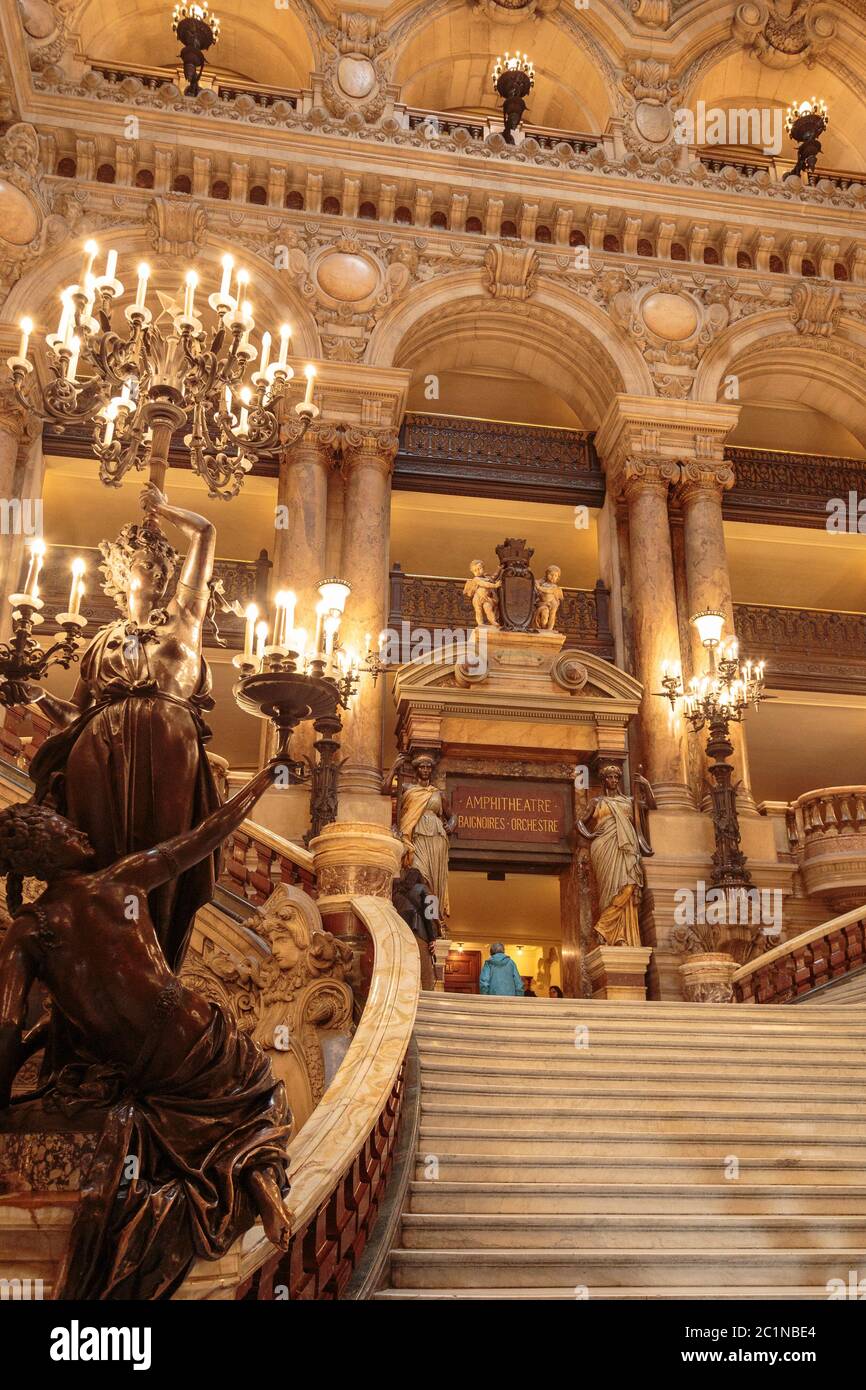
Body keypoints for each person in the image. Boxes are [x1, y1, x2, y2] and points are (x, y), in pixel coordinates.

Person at [0, 758, 292, 1301]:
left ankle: (253, 1176)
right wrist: (263, 780)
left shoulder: (29, 930)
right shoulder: (119, 881)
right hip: (197, 1034)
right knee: (260, 1090)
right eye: (66, 830)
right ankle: (259, 1176)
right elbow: (208, 833)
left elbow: (6, 1025)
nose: (80, 832)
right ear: (45, 851)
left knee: (202, 1116)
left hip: (140, 1063)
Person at [27, 482, 219, 972]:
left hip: (169, 741)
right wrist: (35, 696)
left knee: (166, 853)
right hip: (98, 748)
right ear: (121, 574)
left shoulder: (184, 618)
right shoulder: (101, 642)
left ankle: (157, 965)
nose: (154, 570)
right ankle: (103, 961)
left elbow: (205, 532)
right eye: (142, 563)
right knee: (103, 856)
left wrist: (165, 509)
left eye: (161, 565)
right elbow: (75, 715)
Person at [577, 763, 655, 948]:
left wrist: (646, 785)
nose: (613, 780)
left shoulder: (629, 801)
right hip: (604, 845)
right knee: (609, 889)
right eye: (610, 777)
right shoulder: (597, 802)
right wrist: (589, 835)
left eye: (616, 778)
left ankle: (606, 929)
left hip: (627, 848)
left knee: (628, 884)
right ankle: (613, 934)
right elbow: (579, 822)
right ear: (604, 780)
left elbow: (651, 806)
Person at [398, 755, 454, 925]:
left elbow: (452, 815)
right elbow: (385, 790)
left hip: (436, 838)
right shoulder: (408, 789)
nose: (425, 770)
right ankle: (425, 918)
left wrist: (452, 825)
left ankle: (434, 920)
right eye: (422, 767)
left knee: (434, 880)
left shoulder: (438, 793)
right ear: (417, 770)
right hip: (417, 835)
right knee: (420, 875)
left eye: (428, 767)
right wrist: (393, 769)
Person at [392, 866, 437, 990]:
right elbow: (431, 916)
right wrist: (433, 938)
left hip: (400, 936)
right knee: (426, 975)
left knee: (405, 972)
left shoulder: (395, 893)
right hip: (419, 935)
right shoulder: (425, 889)